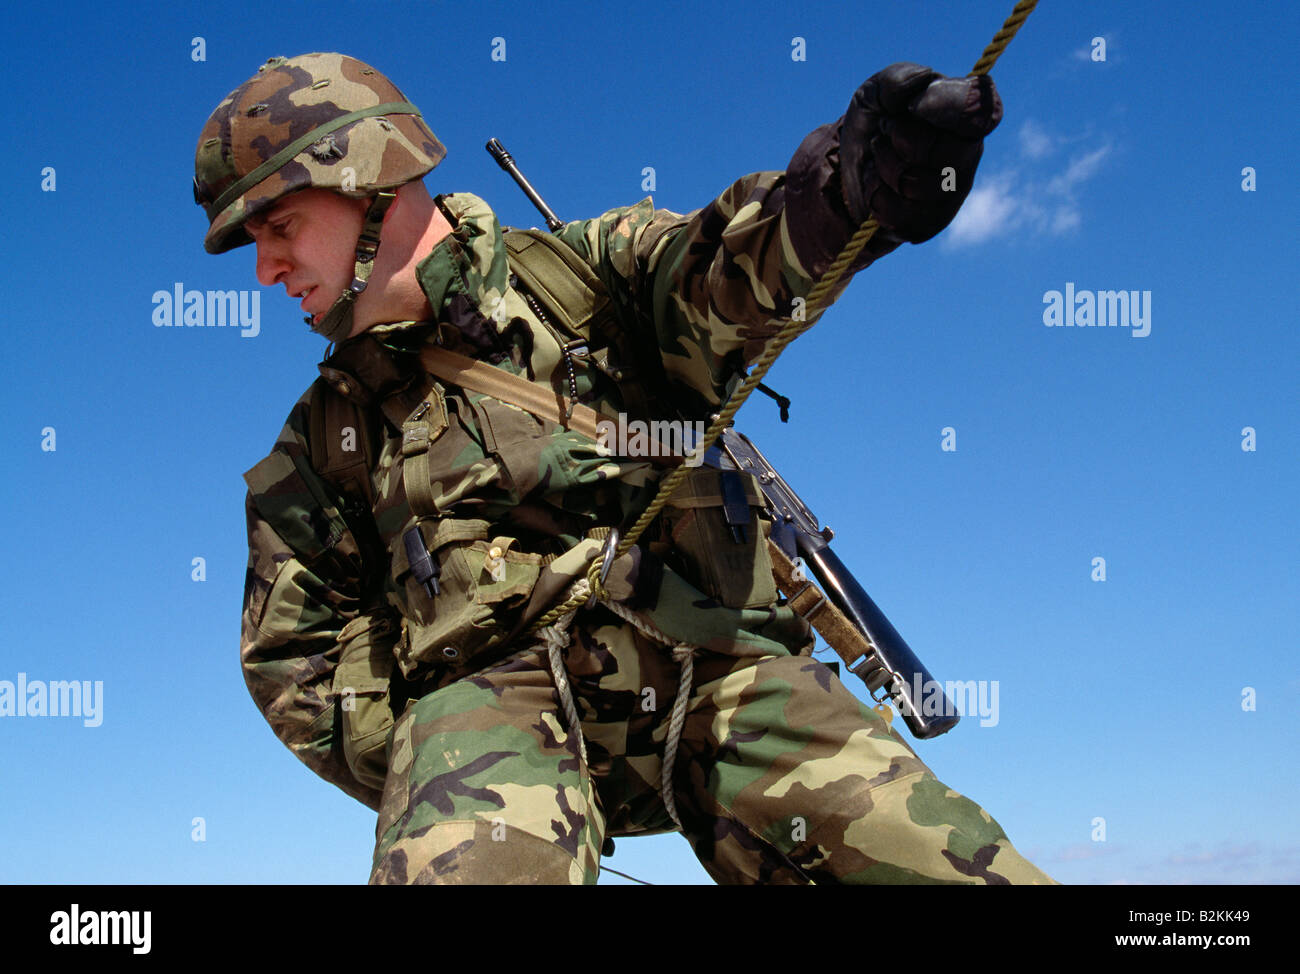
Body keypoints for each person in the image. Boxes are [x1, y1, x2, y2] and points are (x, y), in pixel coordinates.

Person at [196, 51, 1056, 884]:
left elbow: (720, 274)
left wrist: (840, 197)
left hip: (728, 670)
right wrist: (430, 737)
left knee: (942, 860)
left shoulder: (591, 274)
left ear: (372, 181)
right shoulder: (317, 446)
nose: (267, 270)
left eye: (280, 228)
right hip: (492, 724)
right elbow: (293, 659)